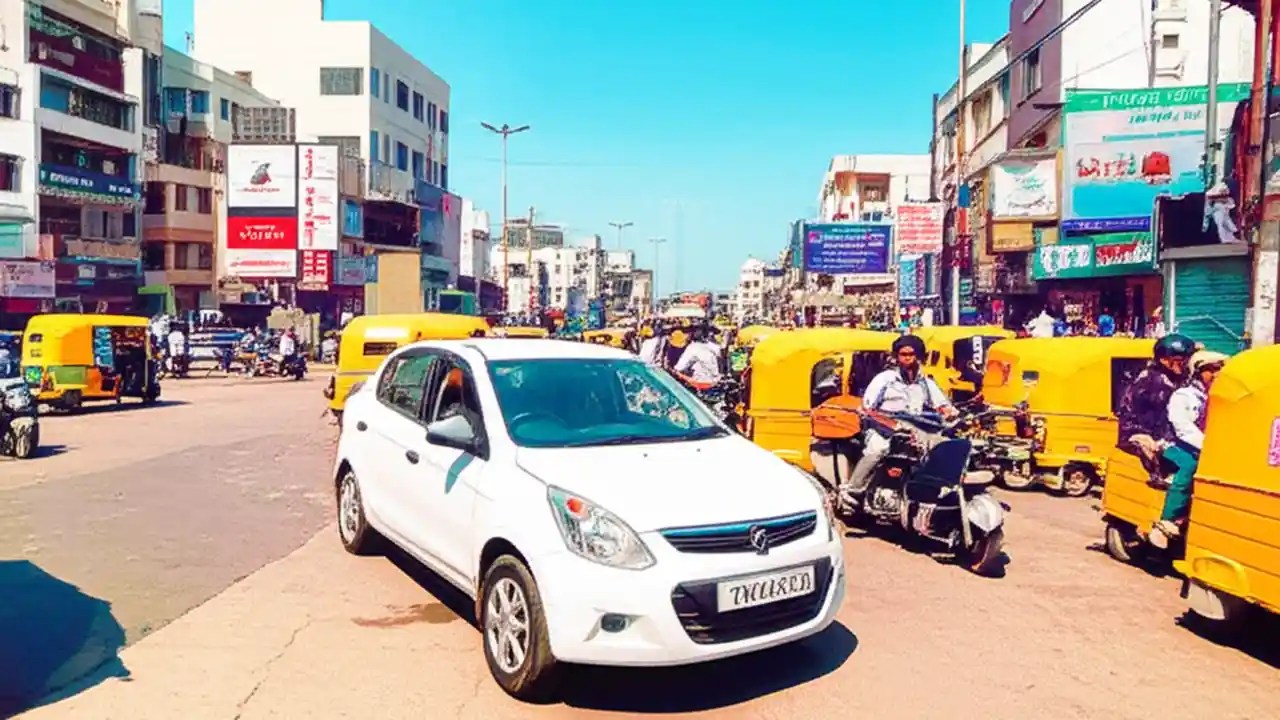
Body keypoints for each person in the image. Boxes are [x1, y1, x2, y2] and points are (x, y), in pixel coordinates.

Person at [840, 334, 957, 506]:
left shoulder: (925, 382)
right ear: (897, 356)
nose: (908, 358)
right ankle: (852, 490)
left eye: (912, 354)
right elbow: (867, 408)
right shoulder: (885, 379)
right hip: (882, 429)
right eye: (903, 354)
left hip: (915, 430)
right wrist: (892, 424)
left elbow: (942, 405)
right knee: (878, 449)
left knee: (943, 448)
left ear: (919, 356)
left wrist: (950, 412)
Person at [1150, 350, 1227, 548]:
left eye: (1220, 369)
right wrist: (1209, 447)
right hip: (1176, 445)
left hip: (1208, 446)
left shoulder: (1218, 396)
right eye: (1212, 369)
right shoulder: (1184, 396)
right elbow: (1182, 428)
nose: (1217, 374)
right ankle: (1166, 522)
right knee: (1190, 466)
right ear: (1199, 371)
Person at [1115, 334, 1197, 484]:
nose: (1185, 364)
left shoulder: (1177, 379)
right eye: (1180, 360)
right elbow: (1162, 419)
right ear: (1164, 360)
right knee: (1187, 466)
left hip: (1167, 436)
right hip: (1143, 435)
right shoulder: (1153, 382)